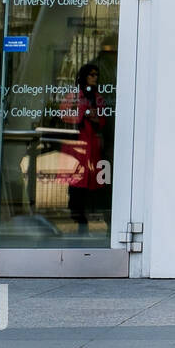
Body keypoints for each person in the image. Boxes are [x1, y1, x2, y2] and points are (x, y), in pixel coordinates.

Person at [65, 63, 105, 231]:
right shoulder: (74, 95)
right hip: (78, 145)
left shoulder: (98, 97)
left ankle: (85, 220)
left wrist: (94, 118)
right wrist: (85, 113)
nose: (95, 78)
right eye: (91, 74)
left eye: (96, 75)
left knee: (91, 184)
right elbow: (65, 114)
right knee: (77, 182)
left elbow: (102, 120)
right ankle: (78, 217)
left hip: (92, 146)